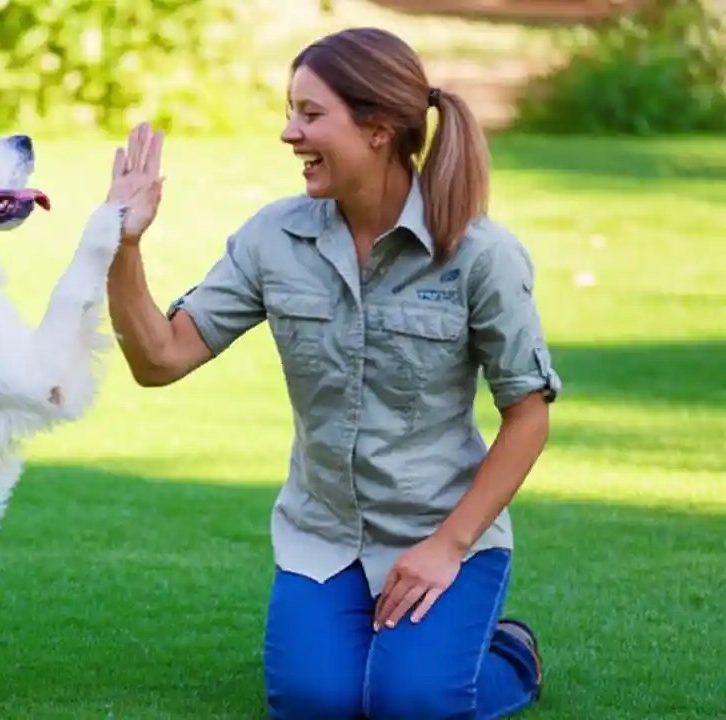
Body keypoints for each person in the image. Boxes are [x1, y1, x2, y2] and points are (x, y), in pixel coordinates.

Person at [102, 26, 561, 720]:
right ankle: (406, 651)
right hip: (323, 536)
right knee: (319, 703)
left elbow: (528, 414)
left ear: (378, 128)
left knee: (408, 706)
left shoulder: (479, 256)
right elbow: (159, 360)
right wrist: (123, 241)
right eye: (292, 112)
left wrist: (446, 547)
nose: (290, 133)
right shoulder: (273, 239)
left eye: (310, 114)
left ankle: (509, 656)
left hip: (443, 534)